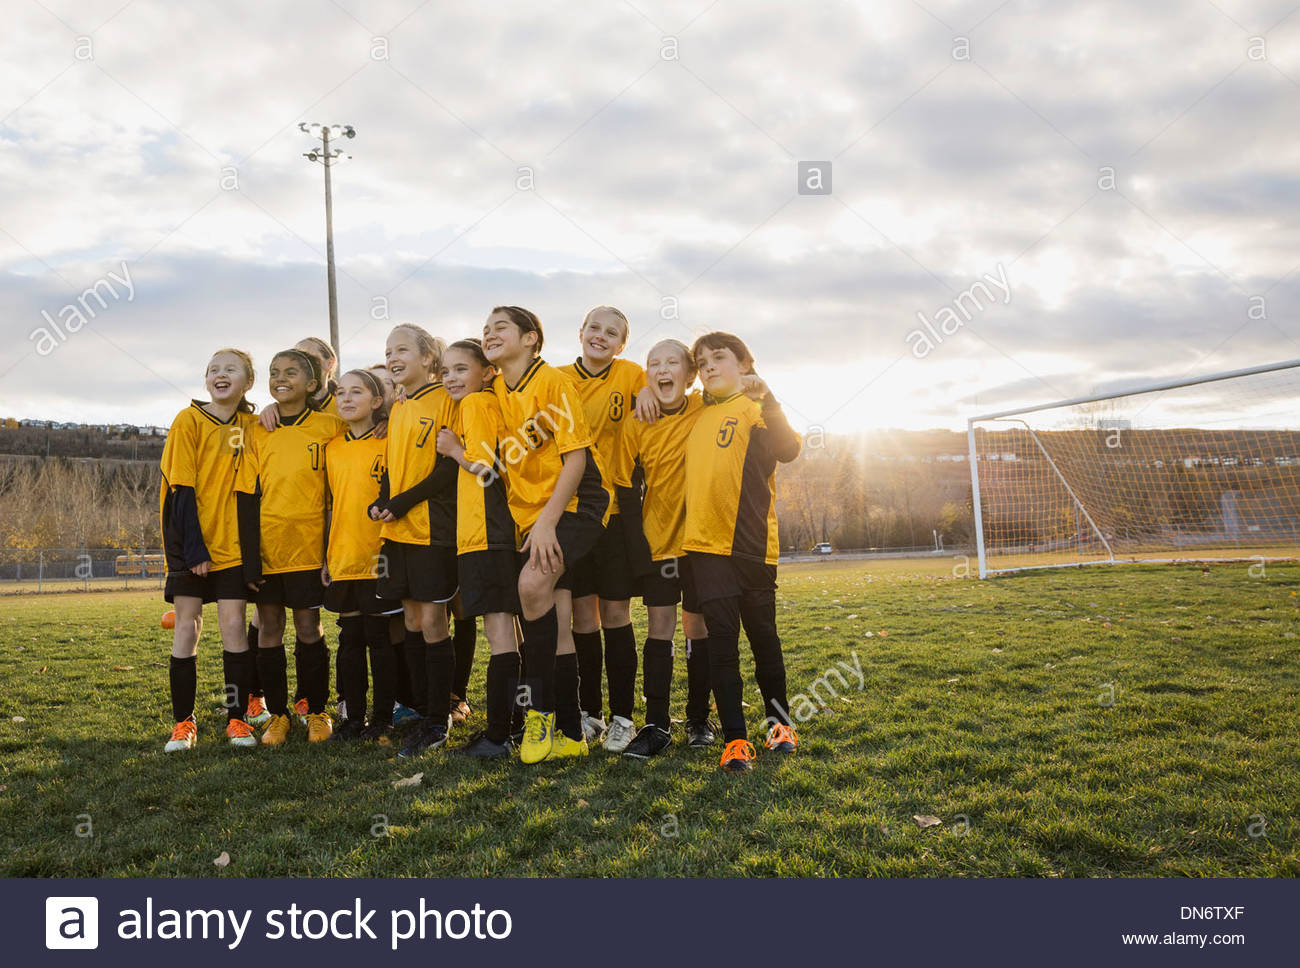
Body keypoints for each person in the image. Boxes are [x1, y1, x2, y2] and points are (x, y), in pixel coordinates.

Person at [482, 306, 611, 763]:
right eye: (486, 329)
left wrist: (547, 523)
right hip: (531, 515)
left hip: (576, 503)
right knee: (554, 613)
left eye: (501, 327)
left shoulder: (554, 382)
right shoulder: (493, 388)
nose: (489, 333)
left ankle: (539, 715)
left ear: (531, 338)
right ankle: (573, 734)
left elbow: (576, 459)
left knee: (531, 585)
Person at [683, 332, 801, 773]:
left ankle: (780, 724)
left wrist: (768, 396)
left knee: (764, 639)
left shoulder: (756, 410)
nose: (708, 365)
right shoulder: (695, 413)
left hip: (752, 546)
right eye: (702, 361)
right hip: (703, 546)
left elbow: (788, 450)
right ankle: (735, 739)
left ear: (744, 363)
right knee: (722, 646)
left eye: (719, 357)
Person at [558, 306, 655, 751]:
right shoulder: (555, 379)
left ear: (621, 344)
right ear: (580, 332)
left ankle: (622, 717)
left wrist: (651, 394)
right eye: (594, 327)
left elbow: (666, 392)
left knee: (615, 614)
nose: (600, 336)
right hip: (572, 514)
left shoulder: (632, 375)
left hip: (614, 513)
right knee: (582, 617)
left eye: (611, 332)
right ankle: (589, 712)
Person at [159, 348, 262, 751]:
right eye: (213, 369)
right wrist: (194, 551)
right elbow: (179, 490)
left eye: (230, 369)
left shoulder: (251, 426)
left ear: (247, 382)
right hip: (190, 545)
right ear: (205, 380)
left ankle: (237, 720)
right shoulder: (188, 421)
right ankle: (183, 724)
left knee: (235, 627)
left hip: (233, 550)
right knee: (187, 628)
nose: (221, 374)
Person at [369, 324, 459, 758]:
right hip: (398, 531)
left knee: (433, 622)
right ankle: (424, 712)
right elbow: (392, 468)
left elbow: (448, 470)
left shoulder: (447, 399)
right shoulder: (400, 407)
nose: (392, 356)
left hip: (432, 531)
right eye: (388, 351)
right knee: (409, 622)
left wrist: (402, 501)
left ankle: (438, 721)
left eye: (401, 349)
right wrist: (383, 501)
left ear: (428, 358)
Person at [622, 339, 713, 758]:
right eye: (653, 364)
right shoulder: (637, 421)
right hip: (658, 544)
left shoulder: (705, 407)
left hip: (701, 544)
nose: (662, 369)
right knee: (660, 630)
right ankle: (656, 724)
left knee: (698, 629)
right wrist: (637, 547)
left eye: (671, 362)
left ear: (690, 374)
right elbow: (626, 488)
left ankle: (699, 720)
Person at [250, 349, 345, 745]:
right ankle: (278, 715)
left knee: (309, 627)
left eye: (291, 373)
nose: (280, 378)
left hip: (310, 548)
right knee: (269, 627)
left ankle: (316, 709)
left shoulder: (329, 426)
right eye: (273, 373)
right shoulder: (257, 429)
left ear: (312, 384)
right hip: (267, 547)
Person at [435, 339, 521, 758]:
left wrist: (455, 451)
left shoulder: (476, 404)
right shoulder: (482, 402)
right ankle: (512, 728)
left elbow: (487, 466)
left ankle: (499, 736)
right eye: (445, 370)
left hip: (488, 533)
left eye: (459, 369)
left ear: (487, 372)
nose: (450, 377)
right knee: (509, 630)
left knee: (500, 631)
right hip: (491, 532)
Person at [322, 369, 402, 744]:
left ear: (376, 402)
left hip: (380, 556)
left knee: (379, 637)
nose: (347, 398)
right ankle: (352, 718)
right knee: (349, 638)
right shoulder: (332, 447)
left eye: (357, 392)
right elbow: (330, 505)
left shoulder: (389, 440)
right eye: (341, 392)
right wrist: (327, 556)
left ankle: (383, 719)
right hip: (343, 555)